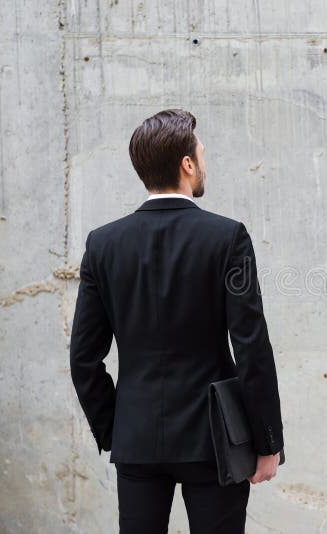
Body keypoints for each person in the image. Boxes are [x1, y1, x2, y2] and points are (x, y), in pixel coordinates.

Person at [69, 109, 284, 533]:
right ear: (187, 164)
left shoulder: (103, 244)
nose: (204, 162)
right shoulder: (227, 237)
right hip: (214, 440)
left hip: (137, 437)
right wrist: (267, 441)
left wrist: (116, 428)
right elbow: (251, 346)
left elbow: (83, 359)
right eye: (201, 154)